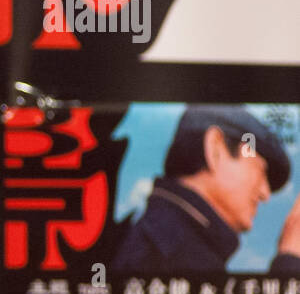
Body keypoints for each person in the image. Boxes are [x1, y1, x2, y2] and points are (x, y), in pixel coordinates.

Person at [113, 105, 299, 275]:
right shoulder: (168, 257)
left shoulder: (158, 238)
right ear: (215, 149)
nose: (265, 194)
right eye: (261, 171)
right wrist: (289, 266)